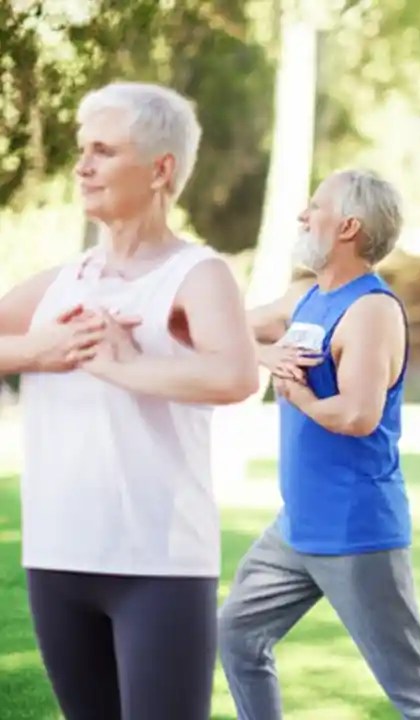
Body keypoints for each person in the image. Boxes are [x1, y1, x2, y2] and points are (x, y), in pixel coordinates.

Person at [0, 81, 259, 719]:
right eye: (83, 150)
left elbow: (235, 375)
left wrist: (126, 366)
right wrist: (38, 350)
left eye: (104, 151)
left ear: (160, 170)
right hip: (57, 555)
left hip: (159, 564)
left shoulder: (197, 274)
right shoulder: (58, 284)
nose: (82, 166)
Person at [216, 169, 420, 720]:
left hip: (356, 530)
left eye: (315, 206)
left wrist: (298, 395)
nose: (302, 215)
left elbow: (356, 415)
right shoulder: (304, 297)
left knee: (416, 692)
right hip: (295, 526)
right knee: (236, 635)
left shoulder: (371, 310)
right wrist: (265, 355)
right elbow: (224, 327)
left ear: (348, 226)